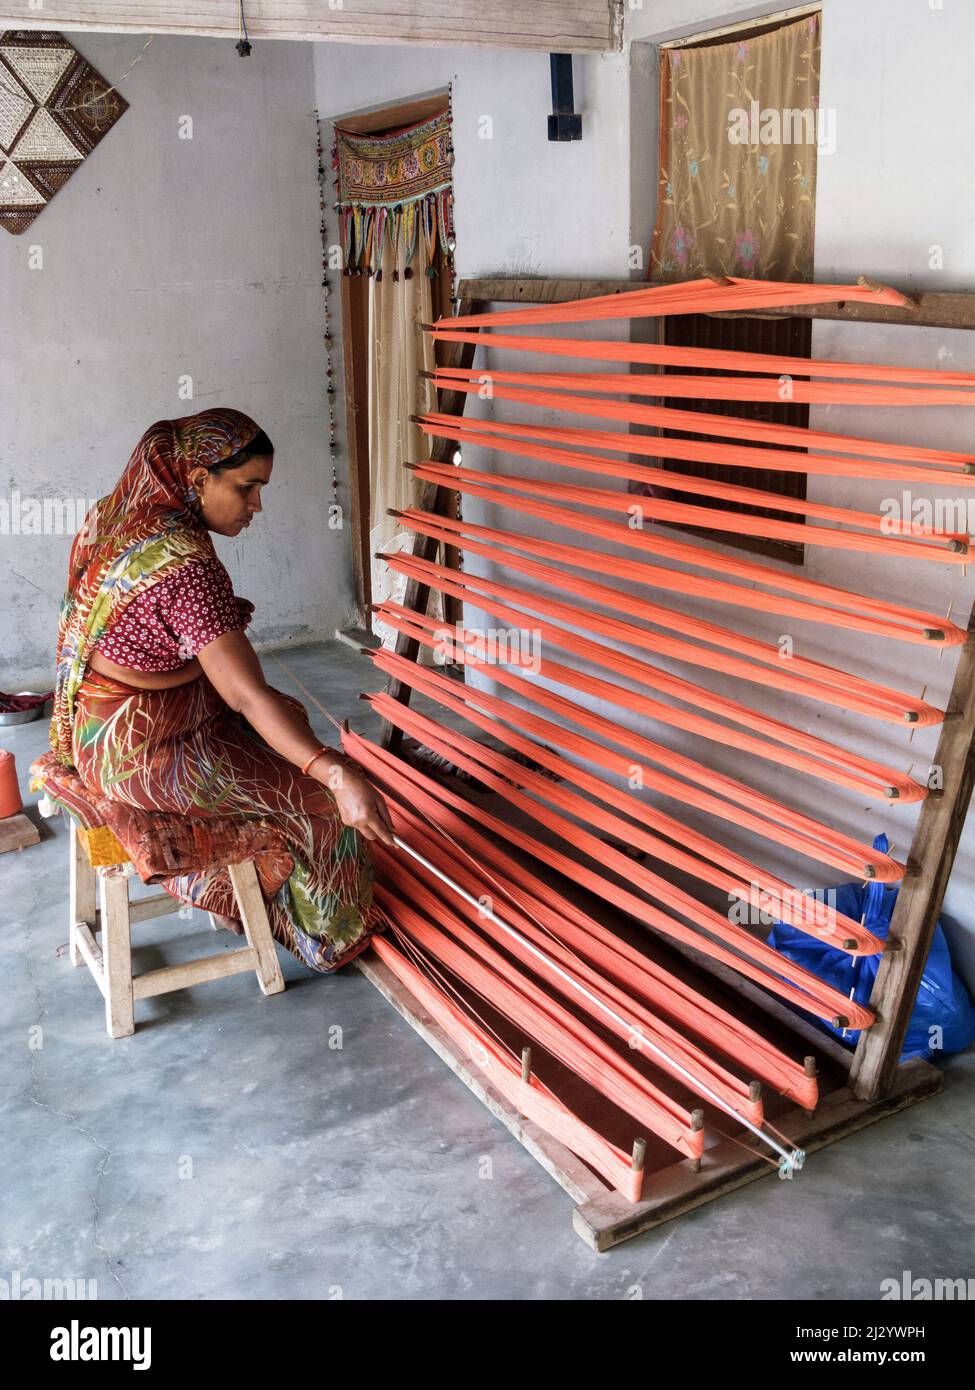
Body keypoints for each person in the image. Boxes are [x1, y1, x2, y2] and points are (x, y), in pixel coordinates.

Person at [49, 406, 394, 972]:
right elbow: (244, 696)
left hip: (93, 730)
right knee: (317, 802)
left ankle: (279, 886)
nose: (256, 506)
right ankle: (327, 936)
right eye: (247, 487)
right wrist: (336, 773)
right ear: (198, 477)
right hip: (143, 756)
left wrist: (205, 647)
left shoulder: (115, 517)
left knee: (284, 719)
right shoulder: (188, 567)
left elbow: (110, 636)